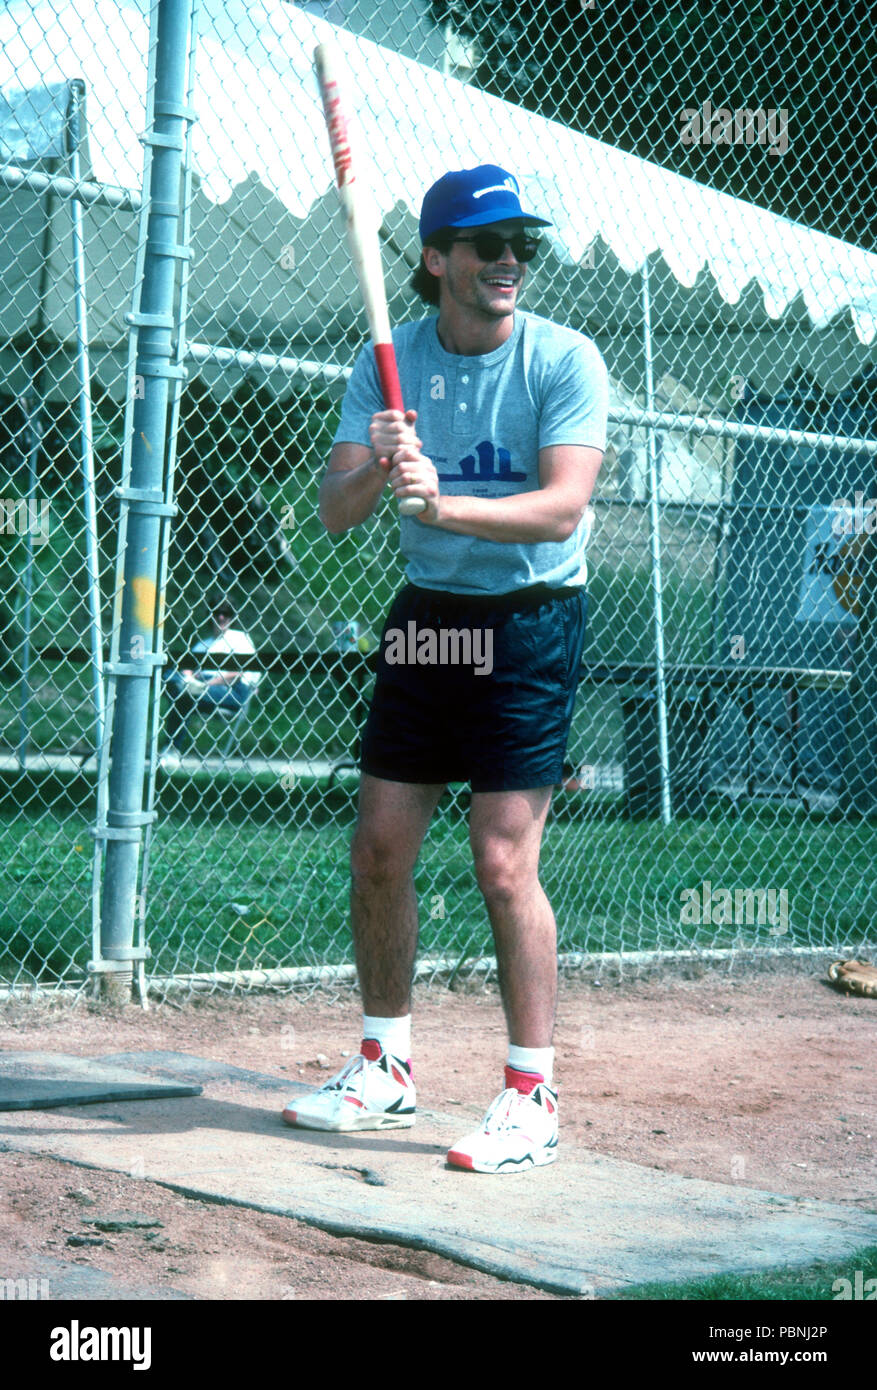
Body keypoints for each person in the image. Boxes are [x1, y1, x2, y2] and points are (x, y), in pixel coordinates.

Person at [282, 165, 608, 1174]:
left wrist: (445, 504)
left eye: (522, 244)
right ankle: (384, 1063)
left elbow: (562, 508)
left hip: (529, 618)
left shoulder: (564, 359)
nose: (510, 260)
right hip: (431, 620)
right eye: (486, 244)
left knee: (502, 858)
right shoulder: (389, 364)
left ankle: (530, 1094)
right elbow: (334, 516)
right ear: (437, 260)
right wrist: (378, 463)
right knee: (379, 845)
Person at [161, 596, 261, 756]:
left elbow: (236, 673)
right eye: (216, 612)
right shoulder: (202, 644)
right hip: (197, 686)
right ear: (210, 615)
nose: (221, 617)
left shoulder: (240, 638)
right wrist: (188, 678)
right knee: (173, 679)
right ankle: (172, 749)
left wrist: (205, 685)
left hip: (231, 690)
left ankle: (171, 749)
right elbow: (187, 668)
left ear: (232, 616)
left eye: (226, 613)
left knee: (181, 694)